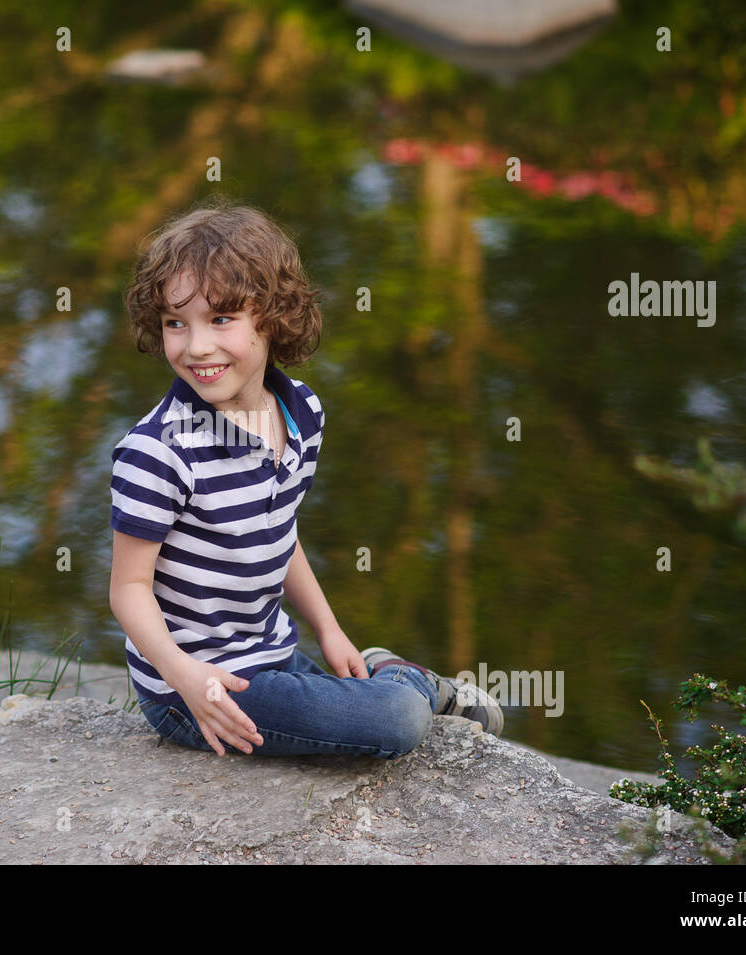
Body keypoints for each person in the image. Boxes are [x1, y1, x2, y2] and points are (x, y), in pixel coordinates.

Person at [108, 197, 502, 758]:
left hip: (270, 654)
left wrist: (330, 630)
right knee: (397, 722)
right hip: (193, 688)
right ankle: (409, 682)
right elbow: (127, 589)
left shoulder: (302, 414)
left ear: (270, 317)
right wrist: (185, 678)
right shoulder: (158, 452)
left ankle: (378, 667)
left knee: (364, 704)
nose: (196, 346)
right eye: (176, 323)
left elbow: (280, 535)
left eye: (221, 318)